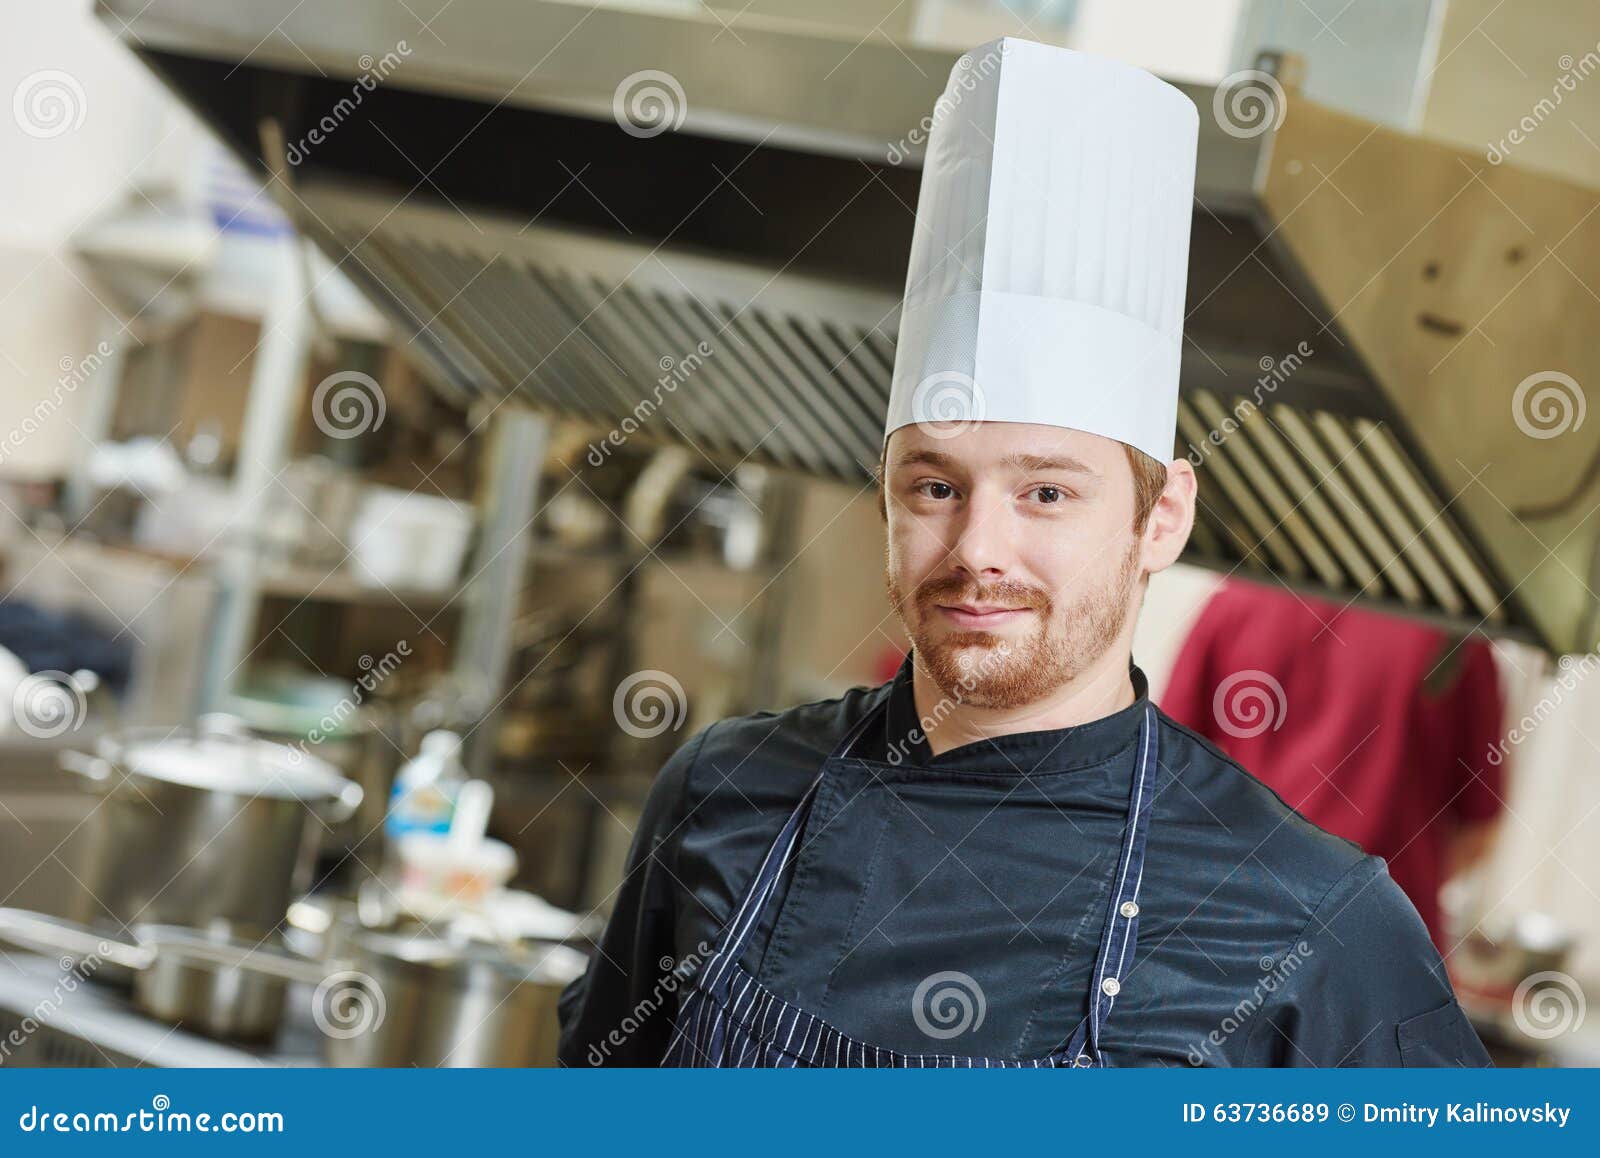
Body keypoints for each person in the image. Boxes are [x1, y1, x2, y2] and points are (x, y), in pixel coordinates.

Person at [557, 37, 1490, 1067]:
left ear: (1160, 518)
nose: (976, 548)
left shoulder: (1313, 928)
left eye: (1046, 491)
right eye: (935, 485)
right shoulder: (722, 796)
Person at [1159, 578, 1507, 951]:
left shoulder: (1238, 602)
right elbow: (1477, 835)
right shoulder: (1454, 636)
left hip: (1241, 931)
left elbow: (1164, 781)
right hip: (1387, 951)